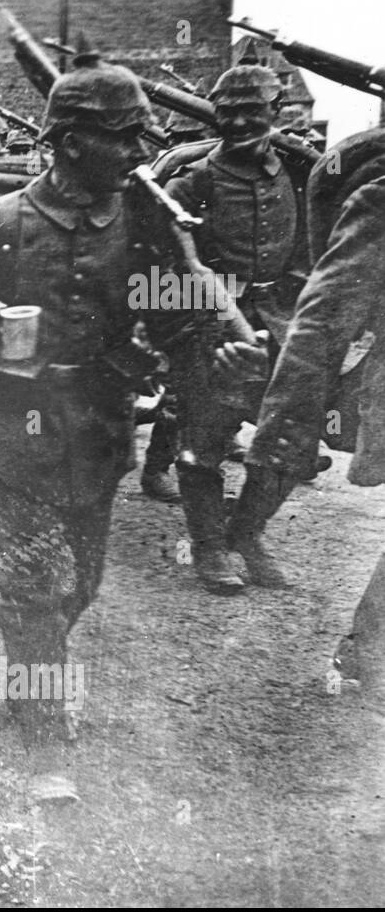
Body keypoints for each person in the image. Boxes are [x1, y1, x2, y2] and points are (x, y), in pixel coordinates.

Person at [0, 54, 264, 743]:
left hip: (97, 423)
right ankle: (42, 727)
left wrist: (223, 361)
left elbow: (177, 321)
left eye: (139, 138)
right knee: (35, 584)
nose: (136, 152)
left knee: (82, 584)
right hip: (7, 424)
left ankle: (26, 658)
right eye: (123, 137)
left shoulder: (146, 224)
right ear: (70, 142)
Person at [229, 130, 385, 669]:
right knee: (275, 429)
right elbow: (323, 314)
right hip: (254, 309)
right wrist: (285, 426)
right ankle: (368, 652)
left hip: (296, 313)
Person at [161, 59, 310, 592]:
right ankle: (208, 549)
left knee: (294, 445)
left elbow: (310, 254)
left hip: (279, 323)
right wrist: (198, 325)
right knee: (203, 443)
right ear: (214, 118)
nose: (242, 124)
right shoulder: (193, 181)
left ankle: (245, 533)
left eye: (253, 112)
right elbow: (166, 267)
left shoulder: (297, 174)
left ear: (275, 112)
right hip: (209, 327)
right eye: (229, 114)